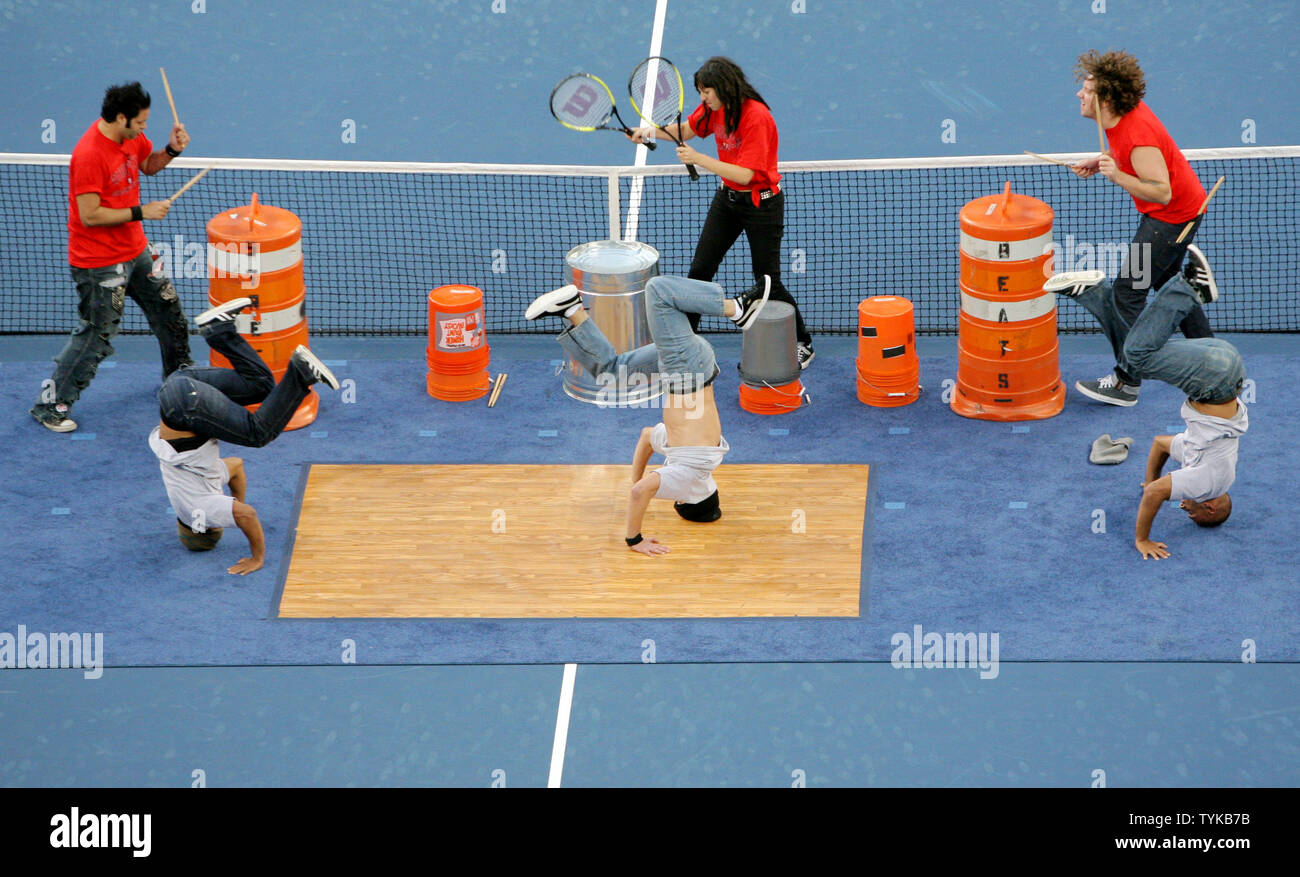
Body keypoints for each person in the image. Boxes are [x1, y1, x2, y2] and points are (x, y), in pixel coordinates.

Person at [524, 274, 771, 555]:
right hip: (687, 368)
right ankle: (738, 309)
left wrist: (636, 478)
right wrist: (634, 539)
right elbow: (639, 493)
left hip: (685, 369)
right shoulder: (688, 476)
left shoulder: (690, 457)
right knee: (658, 290)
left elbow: (646, 438)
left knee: (612, 373)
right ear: (684, 500)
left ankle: (571, 309)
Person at [1046, 251, 1246, 561]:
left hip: (1222, 363)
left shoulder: (1202, 461)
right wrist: (1143, 539)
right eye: (1192, 514)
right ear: (1208, 505)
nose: (1184, 509)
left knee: (1136, 352)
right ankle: (1191, 286)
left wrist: (1153, 478)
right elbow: (1155, 495)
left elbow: (1160, 445)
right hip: (1213, 381)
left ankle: (1093, 293)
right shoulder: (1205, 485)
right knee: (1138, 355)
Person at [30, 81, 194, 433]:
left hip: (135, 251)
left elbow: (148, 166)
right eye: (142, 122)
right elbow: (89, 214)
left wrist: (171, 149)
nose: (145, 128)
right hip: (99, 263)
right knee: (96, 336)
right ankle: (49, 406)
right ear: (122, 118)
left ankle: (178, 381)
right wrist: (142, 212)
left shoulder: (131, 138)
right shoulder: (89, 154)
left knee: (169, 314)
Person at [630, 57, 814, 368]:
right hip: (727, 202)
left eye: (706, 92)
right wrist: (647, 132)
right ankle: (683, 346)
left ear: (725, 88)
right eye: (700, 92)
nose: (702, 98)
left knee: (767, 280)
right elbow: (688, 129)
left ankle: (803, 342)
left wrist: (699, 159)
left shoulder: (757, 117)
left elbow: (745, 174)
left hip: (761, 205)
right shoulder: (714, 109)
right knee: (699, 273)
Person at [151, 297, 341, 575]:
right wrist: (232, 499)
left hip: (186, 406)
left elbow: (246, 515)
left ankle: (301, 373)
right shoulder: (195, 491)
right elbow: (237, 466)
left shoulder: (197, 511)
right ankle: (220, 331)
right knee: (261, 386)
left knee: (258, 432)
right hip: (176, 386)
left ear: (209, 527)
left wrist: (257, 557)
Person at [1068, 49, 1213, 407]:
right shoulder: (1118, 120)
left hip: (1170, 218)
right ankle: (1210, 367)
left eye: (1086, 90)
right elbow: (1129, 152)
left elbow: (1161, 192)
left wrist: (1116, 175)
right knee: (1170, 285)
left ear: (1104, 100)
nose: (1079, 95)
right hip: (1184, 211)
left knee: (1126, 294)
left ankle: (1126, 380)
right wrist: (1103, 160)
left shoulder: (1138, 136)